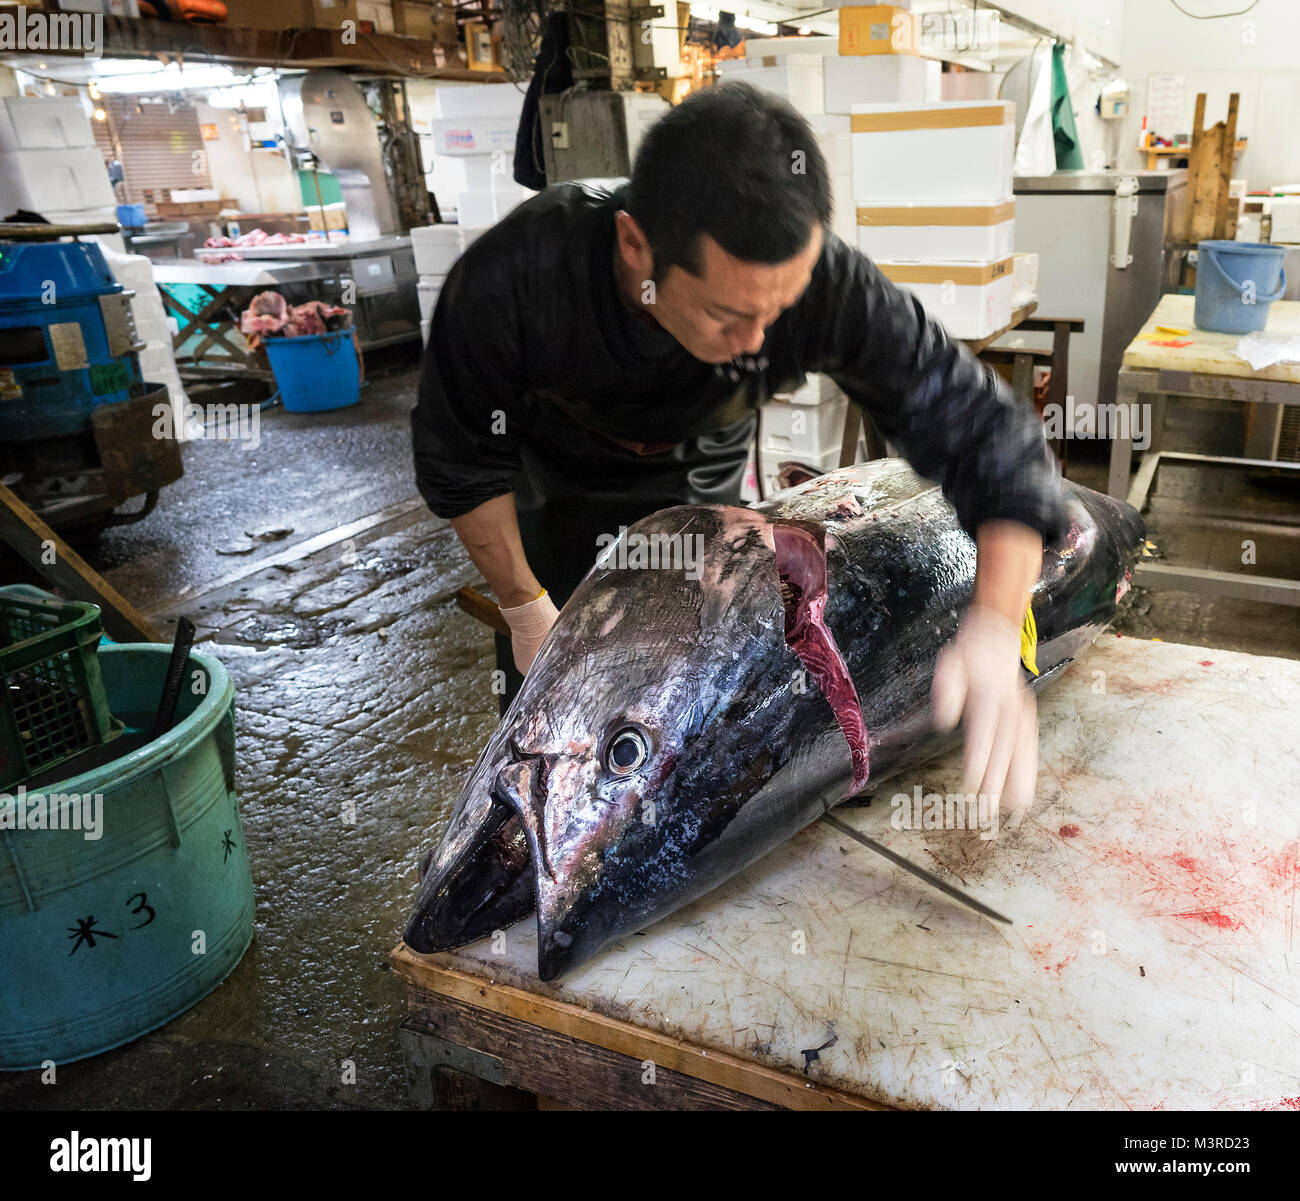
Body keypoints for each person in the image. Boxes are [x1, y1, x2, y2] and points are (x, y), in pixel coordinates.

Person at [411, 83, 1066, 811]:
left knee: (698, 740)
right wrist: (525, 607)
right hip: (562, 496)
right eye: (729, 314)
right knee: (563, 762)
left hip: (701, 478)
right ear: (637, 246)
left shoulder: (820, 283)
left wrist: (999, 622)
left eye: (777, 313)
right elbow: (464, 463)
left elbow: (986, 432)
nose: (756, 344)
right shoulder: (513, 282)